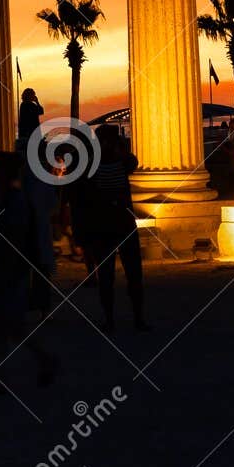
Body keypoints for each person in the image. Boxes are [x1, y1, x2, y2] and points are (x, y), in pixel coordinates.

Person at [0, 151, 58, 394]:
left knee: (8, 326)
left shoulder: (14, 202)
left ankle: (32, 364)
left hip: (8, 272)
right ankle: (10, 373)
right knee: (1, 326)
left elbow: (14, 237)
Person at [70, 125, 148, 331]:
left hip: (114, 225)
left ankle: (125, 319)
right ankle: (122, 319)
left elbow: (133, 161)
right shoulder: (98, 164)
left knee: (125, 275)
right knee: (114, 276)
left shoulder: (115, 162)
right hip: (112, 225)